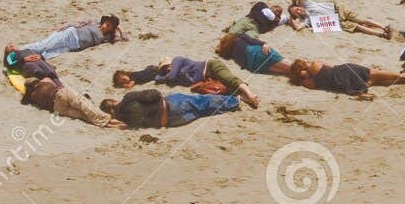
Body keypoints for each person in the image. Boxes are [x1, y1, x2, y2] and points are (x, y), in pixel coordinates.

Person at [111, 55, 259, 106]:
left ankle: (249, 94)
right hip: (207, 78)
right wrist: (163, 77)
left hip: (211, 66)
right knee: (223, 90)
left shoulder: (177, 60)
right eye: (165, 68)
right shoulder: (170, 71)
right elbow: (167, 78)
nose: (168, 69)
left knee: (228, 78)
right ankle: (245, 97)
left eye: (167, 66)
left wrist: (161, 77)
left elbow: (170, 78)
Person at [20, 76, 127, 129]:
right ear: (35, 82)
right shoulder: (44, 81)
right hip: (60, 95)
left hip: (57, 108)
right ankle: (113, 121)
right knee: (87, 108)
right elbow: (52, 81)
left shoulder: (33, 98)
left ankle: (112, 126)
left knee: (82, 116)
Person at [102, 87, 242, 127]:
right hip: (171, 106)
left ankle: (231, 106)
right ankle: (234, 102)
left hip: (173, 122)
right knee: (203, 101)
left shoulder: (124, 122)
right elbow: (155, 94)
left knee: (203, 111)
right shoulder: (128, 98)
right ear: (113, 100)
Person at [9, 15, 126, 59]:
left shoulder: (107, 38)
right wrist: (66, 25)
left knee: (46, 55)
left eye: (109, 26)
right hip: (70, 34)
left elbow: (124, 38)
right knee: (43, 45)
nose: (106, 26)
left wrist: (119, 29)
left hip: (73, 46)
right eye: (106, 23)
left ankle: (24, 58)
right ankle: (19, 49)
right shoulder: (95, 23)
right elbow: (79, 23)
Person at [287, 0, 397, 39]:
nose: (299, 10)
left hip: (339, 9)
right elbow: (297, 27)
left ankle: (384, 27)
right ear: (297, 15)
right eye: (296, 11)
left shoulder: (307, 4)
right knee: (358, 27)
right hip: (337, 21)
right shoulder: (307, 20)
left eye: (297, 8)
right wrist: (292, 17)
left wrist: (294, 5)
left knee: (361, 19)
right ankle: (382, 34)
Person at [285, 58, 405, 95]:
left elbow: (319, 83)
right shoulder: (314, 64)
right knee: (373, 72)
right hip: (343, 72)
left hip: (341, 86)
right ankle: (401, 75)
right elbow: (331, 67)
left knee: (373, 80)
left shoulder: (307, 84)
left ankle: (401, 79)